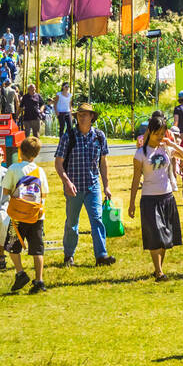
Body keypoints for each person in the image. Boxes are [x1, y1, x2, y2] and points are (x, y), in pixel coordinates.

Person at [129, 114, 183, 281]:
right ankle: (158, 272)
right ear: (149, 132)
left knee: (166, 234)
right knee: (155, 235)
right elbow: (136, 178)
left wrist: (172, 144)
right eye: (157, 133)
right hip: (149, 198)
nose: (160, 137)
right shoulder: (140, 153)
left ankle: (159, 269)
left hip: (167, 196)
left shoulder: (166, 149)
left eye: (162, 134)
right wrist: (131, 203)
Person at [53, 102, 116, 267]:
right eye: (79, 115)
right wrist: (66, 182)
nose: (81, 118)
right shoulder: (69, 136)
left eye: (85, 115)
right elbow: (58, 163)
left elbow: (103, 163)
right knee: (72, 223)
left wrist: (106, 186)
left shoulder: (99, 136)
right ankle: (69, 256)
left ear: (92, 117)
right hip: (73, 187)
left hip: (92, 186)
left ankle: (101, 255)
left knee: (97, 220)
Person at [2, 136, 49, 293]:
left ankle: (20, 273)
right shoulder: (40, 171)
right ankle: (39, 280)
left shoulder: (14, 168)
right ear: (36, 154)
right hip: (36, 215)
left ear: (20, 151)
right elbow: (44, 194)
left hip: (18, 216)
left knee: (12, 245)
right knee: (37, 248)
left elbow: (6, 190)